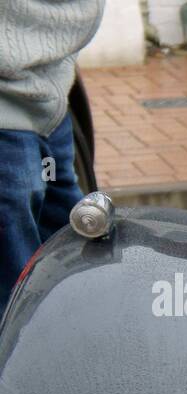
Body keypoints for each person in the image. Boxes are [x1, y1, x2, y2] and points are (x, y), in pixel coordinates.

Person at [0, 0, 106, 313]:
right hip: (8, 112)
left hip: (51, 93)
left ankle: (65, 330)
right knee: (15, 284)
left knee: (67, 238)